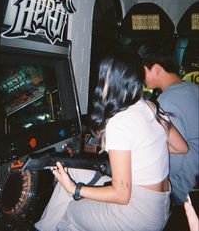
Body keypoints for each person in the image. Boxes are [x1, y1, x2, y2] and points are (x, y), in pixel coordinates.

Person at [35, 51, 188, 231]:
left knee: (70, 213)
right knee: (72, 171)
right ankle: (42, 228)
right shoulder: (150, 106)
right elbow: (181, 147)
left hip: (138, 214)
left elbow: (122, 194)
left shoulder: (119, 121)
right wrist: (145, 150)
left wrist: (75, 189)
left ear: (113, 80)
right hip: (161, 204)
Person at [138, 40, 199, 205]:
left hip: (182, 189)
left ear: (156, 68)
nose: (139, 77)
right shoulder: (192, 88)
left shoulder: (167, 101)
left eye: (141, 70)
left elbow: (175, 164)